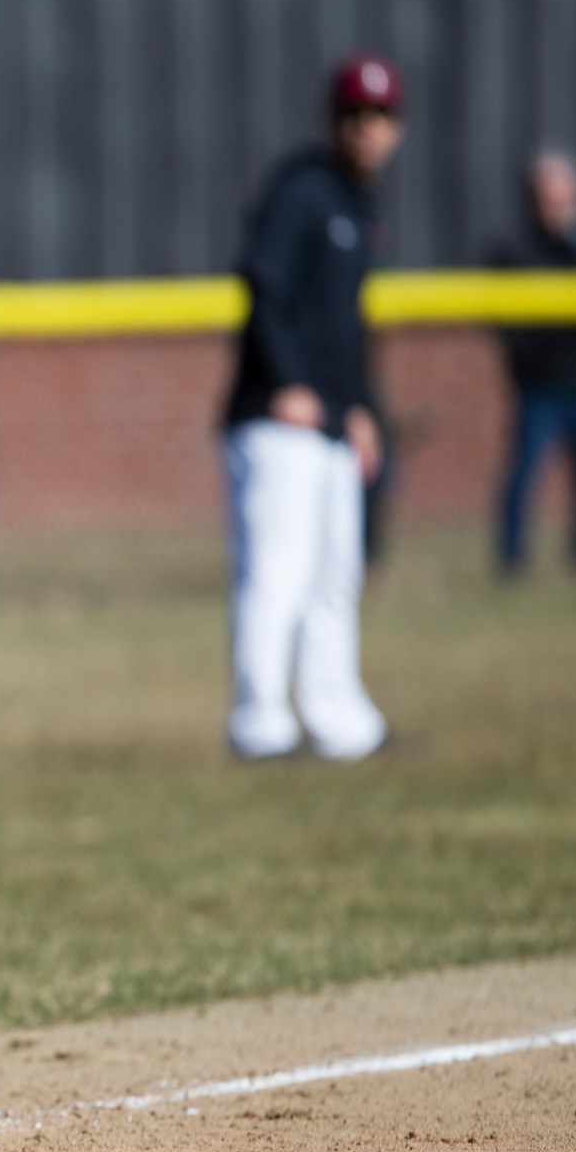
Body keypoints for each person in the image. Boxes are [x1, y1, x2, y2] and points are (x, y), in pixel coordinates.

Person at [219, 53, 403, 763]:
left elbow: (343, 328)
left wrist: (356, 408)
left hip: (329, 419)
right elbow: (263, 291)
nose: (368, 128)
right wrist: (290, 383)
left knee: (335, 571)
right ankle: (259, 722)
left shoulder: (362, 204)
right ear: (335, 120)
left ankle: (339, 718)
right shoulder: (303, 191)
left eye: (381, 116)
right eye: (356, 114)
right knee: (278, 570)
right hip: (277, 417)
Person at [489, 150, 576, 575]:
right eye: (548, 198)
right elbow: (503, 313)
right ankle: (512, 557)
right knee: (524, 471)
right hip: (539, 383)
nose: (557, 207)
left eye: (564, 198)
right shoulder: (518, 249)